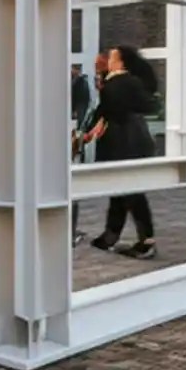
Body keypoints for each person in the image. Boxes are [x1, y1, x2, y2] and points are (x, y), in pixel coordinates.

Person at [83, 46, 159, 259]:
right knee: (122, 190)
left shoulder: (117, 83)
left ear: (121, 62)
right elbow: (147, 106)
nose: (108, 58)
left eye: (113, 56)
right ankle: (111, 236)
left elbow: (105, 112)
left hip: (124, 143)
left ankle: (146, 241)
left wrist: (87, 133)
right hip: (134, 141)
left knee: (131, 192)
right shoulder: (127, 82)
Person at [70, 59, 100, 247]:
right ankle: (69, 231)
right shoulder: (79, 83)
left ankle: (69, 230)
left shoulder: (79, 82)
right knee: (70, 185)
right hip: (68, 139)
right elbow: (83, 112)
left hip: (67, 138)